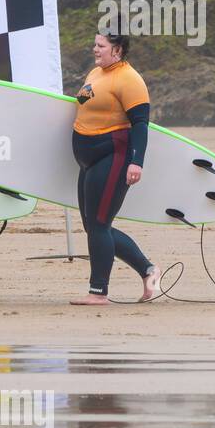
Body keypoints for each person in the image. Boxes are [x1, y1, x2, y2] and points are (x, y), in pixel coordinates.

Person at [70, 28, 161, 305]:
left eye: (101, 46)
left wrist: (137, 162)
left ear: (117, 50)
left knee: (99, 224)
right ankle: (148, 270)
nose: (95, 50)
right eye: (95, 44)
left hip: (113, 157)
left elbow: (140, 125)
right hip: (88, 160)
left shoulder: (129, 79)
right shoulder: (96, 73)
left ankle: (99, 292)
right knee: (94, 225)